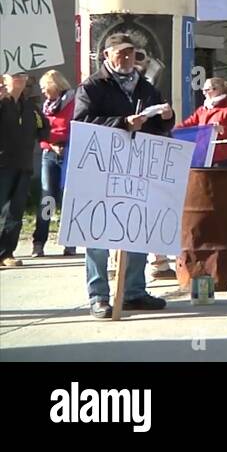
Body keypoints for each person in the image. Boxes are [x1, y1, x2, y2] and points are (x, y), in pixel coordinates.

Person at [74, 34, 174, 318]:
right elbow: (80, 122)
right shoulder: (93, 86)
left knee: (136, 226)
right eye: (121, 54)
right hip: (101, 169)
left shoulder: (145, 86)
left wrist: (166, 116)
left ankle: (133, 292)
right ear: (107, 55)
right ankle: (99, 296)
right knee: (98, 230)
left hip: (137, 167)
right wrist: (121, 123)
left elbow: (159, 126)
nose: (127, 58)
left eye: (131, 53)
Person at [0, 73, 49, 267]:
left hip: (23, 165)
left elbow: (44, 129)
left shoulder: (30, 106)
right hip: (2, 164)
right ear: (4, 79)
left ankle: (6, 253)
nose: (19, 79)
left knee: (15, 212)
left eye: (22, 76)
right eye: (14, 75)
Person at [30, 70, 76, 257]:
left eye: (44, 88)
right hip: (49, 153)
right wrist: (49, 144)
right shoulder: (46, 106)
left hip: (69, 153)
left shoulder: (73, 103)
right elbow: (41, 131)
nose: (43, 92)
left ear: (54, 85)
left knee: (69, 198)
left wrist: (65, 144)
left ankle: (70, 243)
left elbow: (75, 127)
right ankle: (39, 242)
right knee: (47, 199)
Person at [178, 77, 227, 167]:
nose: (204, 93)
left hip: (221, 158)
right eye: (203, 90)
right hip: (202, 156)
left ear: (217, 90)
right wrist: (171, 130)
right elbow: (188, 124)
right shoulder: (203, 109)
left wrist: (222, 129)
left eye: (207, 90)